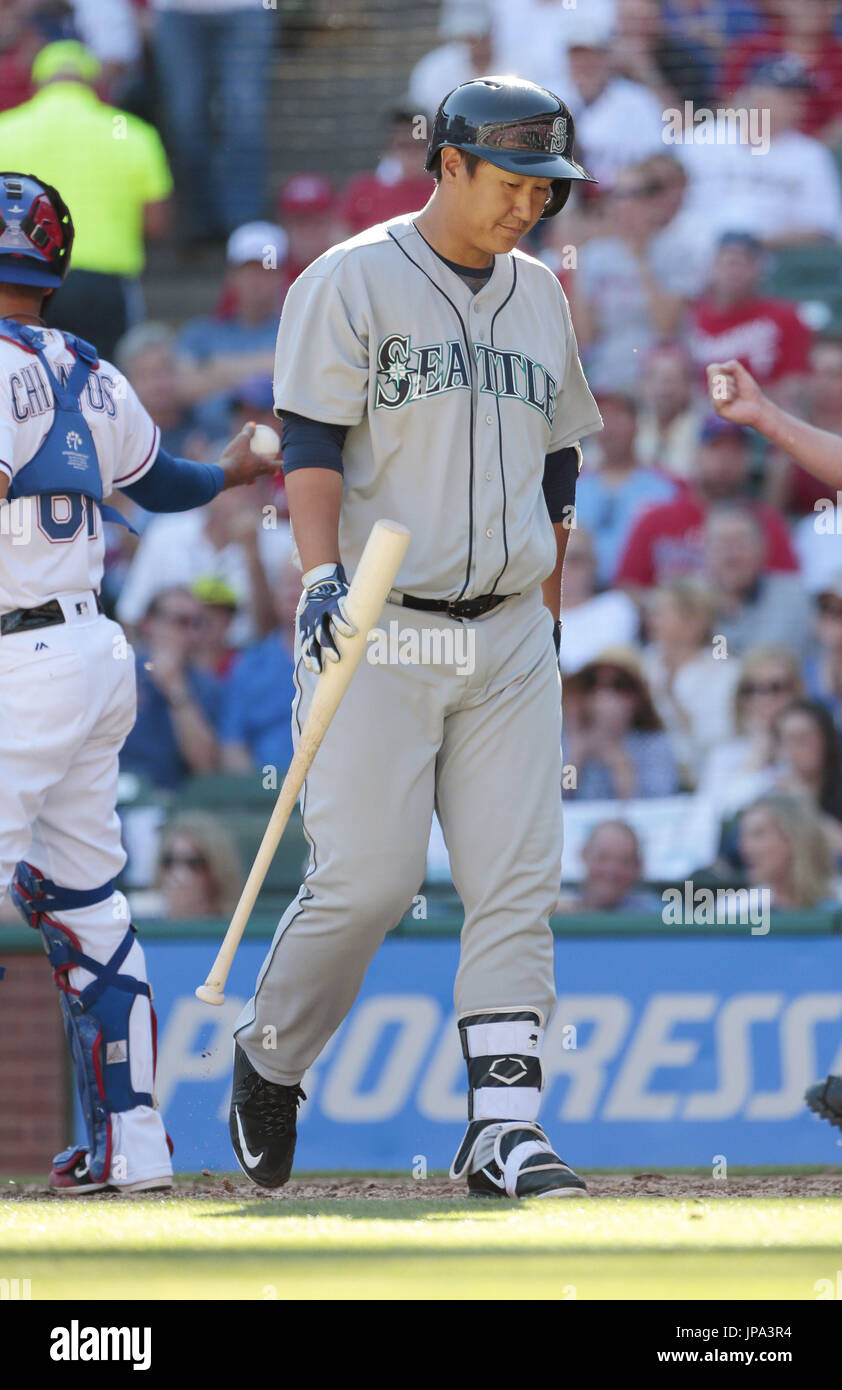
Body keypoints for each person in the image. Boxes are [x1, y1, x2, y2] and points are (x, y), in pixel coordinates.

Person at [230, 77, 604, 1200]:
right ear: (446, 164)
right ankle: (272, 1054)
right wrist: (316, 573)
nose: (529, 204)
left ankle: (501, 1125)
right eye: (509, 179)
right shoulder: (347, 277)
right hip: (382, 624)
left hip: (505, 630)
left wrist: (545, 604)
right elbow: (309, 440)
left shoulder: (540, 291)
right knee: (370, 882)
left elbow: (559, 455)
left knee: (514, 879)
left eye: (543, 186)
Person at [0, 172, 278, 1194]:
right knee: (83, 904)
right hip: (87, 653)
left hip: (18, 660)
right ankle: (137, 1143)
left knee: (71, 902)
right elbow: (159, 483)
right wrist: (241, 470)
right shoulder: (89, 367)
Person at [0, 41, 173, 359]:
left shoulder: (5, 130)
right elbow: (157, 223)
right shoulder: (134, 133)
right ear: (93, 83)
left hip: (24, 284)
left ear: (38, 81)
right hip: (106, 283)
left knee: (25, 383)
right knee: (106, 387)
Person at [616, 416, 799, 590]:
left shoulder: (767, 524)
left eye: (735, 451)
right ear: (695, 455)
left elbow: (786, 590)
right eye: (715, 449)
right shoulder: (657, 519)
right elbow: (628, 586)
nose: (725, 460)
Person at [150, 0, 277, 242]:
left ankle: (245, 225)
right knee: (184, 118)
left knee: (244, 115)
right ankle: (199, 222)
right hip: (177, 13)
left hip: (245, 9)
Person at [570, 162, 698, 392]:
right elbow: (586, 336)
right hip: (607, 375)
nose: (623, 204)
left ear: (654, 201)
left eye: (633, 194)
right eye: (615, 195)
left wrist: (640, 255)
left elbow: (666, 327)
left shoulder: (677, 251)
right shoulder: (592, 255)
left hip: (663, 379)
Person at [687, 232, 812, 412]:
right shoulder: (692, 315)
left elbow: (794, 386)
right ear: (713, 267)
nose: (735, 271)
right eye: (729, 262)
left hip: (762, 416)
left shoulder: (785, 316)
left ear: (758, 269)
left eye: (745, 263)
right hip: (701, 418)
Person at [574, 391, 676, 586]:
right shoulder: (573, 486)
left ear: (637, 424)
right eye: (602, 418)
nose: (609, 428)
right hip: (582, 598)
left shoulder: (664, 486)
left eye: (618, 417)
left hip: (645, 592)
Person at [641, 579, 738, 783]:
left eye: (662, 613)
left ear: (695, 621)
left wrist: (674, 702)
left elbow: (721, 738)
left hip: (703, 778)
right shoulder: (643, 664)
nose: (653, 621)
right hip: (647, 778)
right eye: (652, 613)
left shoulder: (724, 672)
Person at [696, 645, 805, 823]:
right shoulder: (723, 756)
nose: (762, 698)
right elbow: (717, 819)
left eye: (775, 688)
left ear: (796, 692)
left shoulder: (812, 746)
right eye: (750, 689)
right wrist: (757, 756)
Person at [564, 647, 680, 800]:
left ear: (637, 697)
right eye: (593, 684)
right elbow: (558, 801)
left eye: (618, 685)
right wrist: (575, 757)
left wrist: (614, 753)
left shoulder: (655, 744)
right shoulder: (566, 740)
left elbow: (653, 805)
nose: (604, 695)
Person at [702, 504, 813, 659]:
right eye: (721, 542)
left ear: (762, 547)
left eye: (741, 542)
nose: (731, 554)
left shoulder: (797, 600)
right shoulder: (690, 604)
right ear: (705, 549)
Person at [219, 562, 300, 774]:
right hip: (264, 794)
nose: (293, 589)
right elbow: (232, 744)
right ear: (274, 596)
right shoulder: (249, 665)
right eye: (285, 583)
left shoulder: (345, 664)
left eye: (303, 581)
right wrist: (256, 791)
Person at [339, 107, 435, 237]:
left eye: (419, 145)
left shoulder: (444, 193)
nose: (412, 154)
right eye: (404, 146)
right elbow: (341, 240)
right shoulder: (363, 190)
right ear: (390, 149)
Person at [557, 527, 640, 676]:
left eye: (574, 559)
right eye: (556, 558)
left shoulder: (615, 607)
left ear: (593, 563)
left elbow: (610, 668)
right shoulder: (530, 616)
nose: (564, 567)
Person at [737, 794, 836, 911]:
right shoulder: (735, 911)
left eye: (759, 834)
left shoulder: (836, 904)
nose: (744, 847)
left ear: (794, 839)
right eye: (744, 837)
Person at [634, 343, 705, 480]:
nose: (664, 387)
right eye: (654, 378)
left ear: (688, 386)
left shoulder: (703, 432)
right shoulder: (627, 428)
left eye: (672, 379)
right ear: (642, 385)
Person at [556, 819, 660, 913]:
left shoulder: (658, 916)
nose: (611, 871)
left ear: (638, 866)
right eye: (602, 858)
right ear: (584, 854)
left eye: (623, 862)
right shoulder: (553, 911)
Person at [154, 812, 241, 920]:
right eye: (169, 861)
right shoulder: (139, 926)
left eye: (193, 863)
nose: (177, 874)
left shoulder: (237, 929)